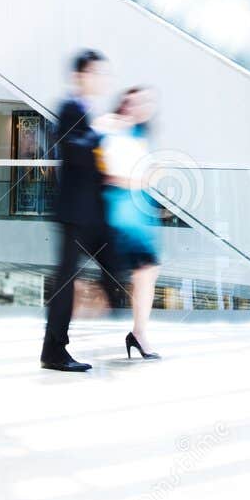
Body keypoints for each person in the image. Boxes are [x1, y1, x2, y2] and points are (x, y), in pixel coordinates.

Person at [41, 49, 125, 372]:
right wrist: (100, 133)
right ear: (80, 76)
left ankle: (107, 307)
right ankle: (54, 351)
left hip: (92, 212)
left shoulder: (90, 111)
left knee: (112, 269)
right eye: (96, 73)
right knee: (65, 283)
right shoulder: (69, 108)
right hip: (75, 213)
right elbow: (74, 151)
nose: (102, 79)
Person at [97, 86, 163, 359]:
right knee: (141, 270)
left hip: (138, 210)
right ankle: (137, 333)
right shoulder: (112, 128)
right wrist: (141, 180)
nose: (144, 107)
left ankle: (138, 333)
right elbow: (110, 174)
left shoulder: (140, 133)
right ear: (125, 104)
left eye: (147, 102)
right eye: (137, 102)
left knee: (147, 271)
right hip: (121, 210)